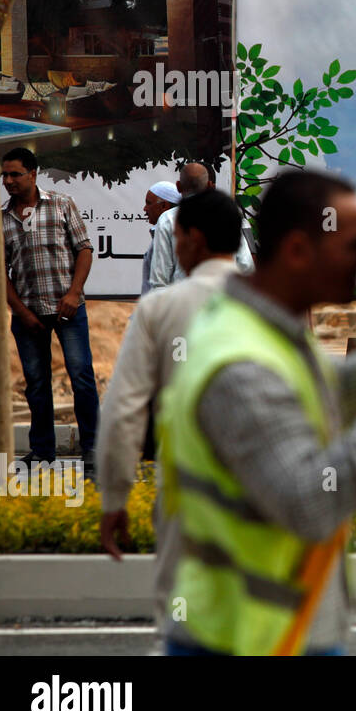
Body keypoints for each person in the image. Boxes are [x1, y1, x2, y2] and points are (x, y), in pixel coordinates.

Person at [158, 171, 356, 655]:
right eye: (353, 244)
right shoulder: (238, 363)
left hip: (288, 629)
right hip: (239, 639)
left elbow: (315, 401)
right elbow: (309, 504)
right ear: (298, 250)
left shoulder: (266, 329)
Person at [98, 190, 246, 625]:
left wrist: (114, 496)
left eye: (176, 236)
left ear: (194, 239)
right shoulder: (272, 304)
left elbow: (124, 410)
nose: (174, 246)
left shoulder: (160, 309)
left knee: (188, 619)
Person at [0, 147, 99, 474]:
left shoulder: (61, 202)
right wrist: (22, 313)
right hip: (28, 314)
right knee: (37, 384)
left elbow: (84, 249)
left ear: (33, 173)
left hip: (68, 309)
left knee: (82, 377)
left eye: (15, 174)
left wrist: (74, 293)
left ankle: (93, 450)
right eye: (5, 175)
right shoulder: (1, 217)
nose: (8, 181)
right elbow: (0, 273)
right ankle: (42, 451)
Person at [149, 162, 252, 290]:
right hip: (225, 302)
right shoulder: (229, 215)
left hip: (183, 303)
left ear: (179, 186)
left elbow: (159, 279)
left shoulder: (168, 219)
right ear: (211, 185)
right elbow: (246, 266)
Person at [140, 181, 180, 294]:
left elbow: (160, 281)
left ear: (164, 206)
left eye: (149, 203)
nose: (145, 209)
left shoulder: (169, 234)